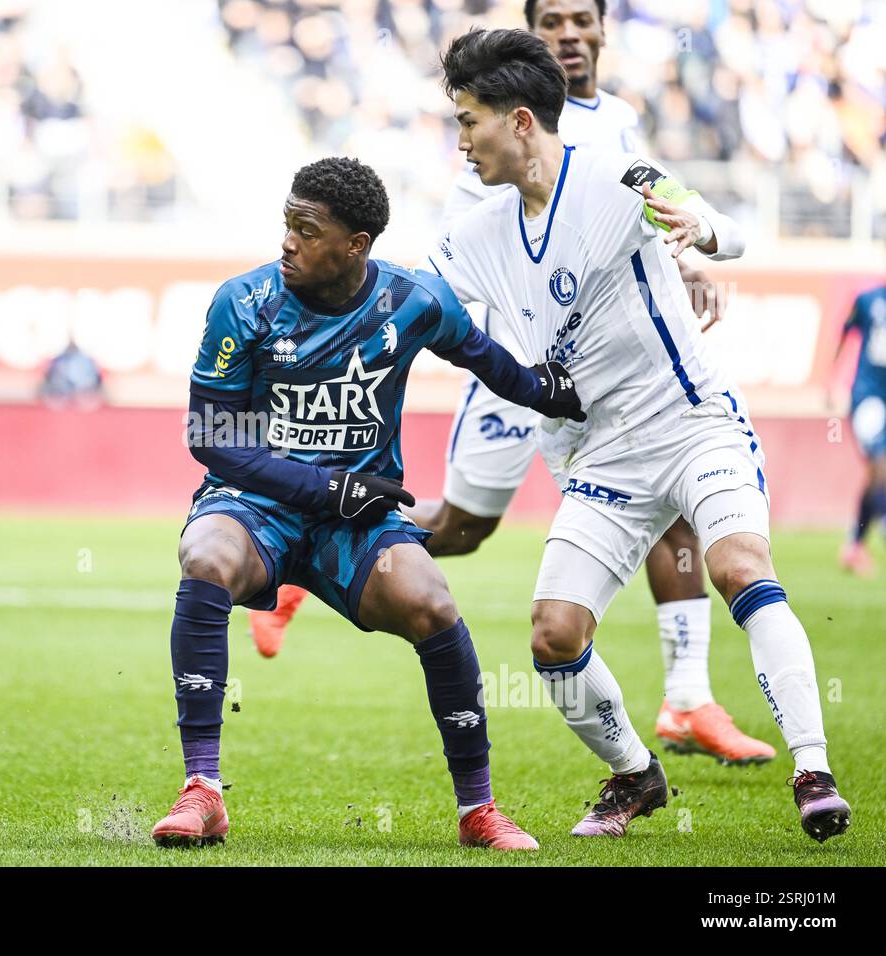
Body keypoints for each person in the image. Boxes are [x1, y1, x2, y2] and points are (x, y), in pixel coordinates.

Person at [248, 0, 774, 771]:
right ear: (532, 40)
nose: (568, 33)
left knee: (676, 507)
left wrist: (685, 253)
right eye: (551, 20)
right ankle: (312, 561)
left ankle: (688, 698)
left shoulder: (617, 124)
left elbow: (646, 210)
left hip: (607, 373)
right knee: (463, 529)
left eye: (581, 19)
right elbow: (449, 267)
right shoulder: (494, 124)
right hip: (508, 354)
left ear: (602, 30)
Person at [420, 27, 848, 842]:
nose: (462, 140)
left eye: (468, 120)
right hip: (603, 456)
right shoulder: (477, 231)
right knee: (553, 635)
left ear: (517, 121)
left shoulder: (619, 173)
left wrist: (698, 225)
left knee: (738, 564)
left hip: (693, 423)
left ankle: (811, 767)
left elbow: (726, 228)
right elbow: (411, 303)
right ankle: (634, 776)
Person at [151, 157, 585, 849]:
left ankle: (479, 811)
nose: (287, 242)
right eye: (286, 225)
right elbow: (214, 442)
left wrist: (547, 391)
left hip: (357, 523)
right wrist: (327, 486)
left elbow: (479, 355)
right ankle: (202, 791)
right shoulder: (244, 302)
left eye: (305, 229)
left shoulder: (414, 300)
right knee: (204, 556)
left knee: (434, 605)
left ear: (355, 244)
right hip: (255, 504)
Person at [834, 283, 886, 577]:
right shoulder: (868, 300)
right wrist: (832, 379)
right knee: (880, 463)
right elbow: (846, 331)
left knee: (876, 476)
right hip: (869, 397)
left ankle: (854, 545)